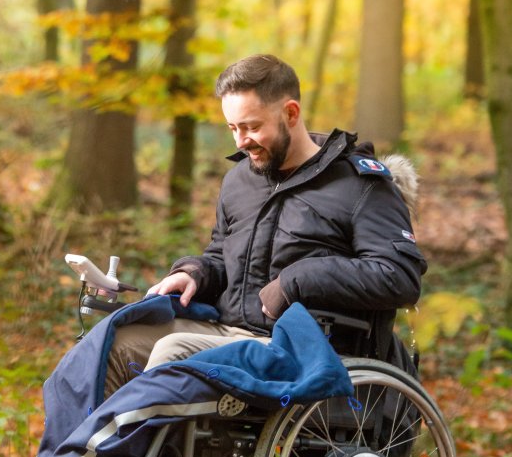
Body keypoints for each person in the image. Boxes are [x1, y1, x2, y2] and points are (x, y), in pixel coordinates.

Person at [103, 53, 427, 396]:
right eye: (233, 128)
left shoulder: (361, 185)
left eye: (252, 127)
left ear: (290, 113)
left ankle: (128, 446)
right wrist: (194, 273)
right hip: (228, 332)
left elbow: (399, 276)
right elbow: (221, 253)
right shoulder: (240, 180)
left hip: (304, 350)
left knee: (173, 352)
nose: (241, 141)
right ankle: (93, 449)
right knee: (118, 341)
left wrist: (297, 280)